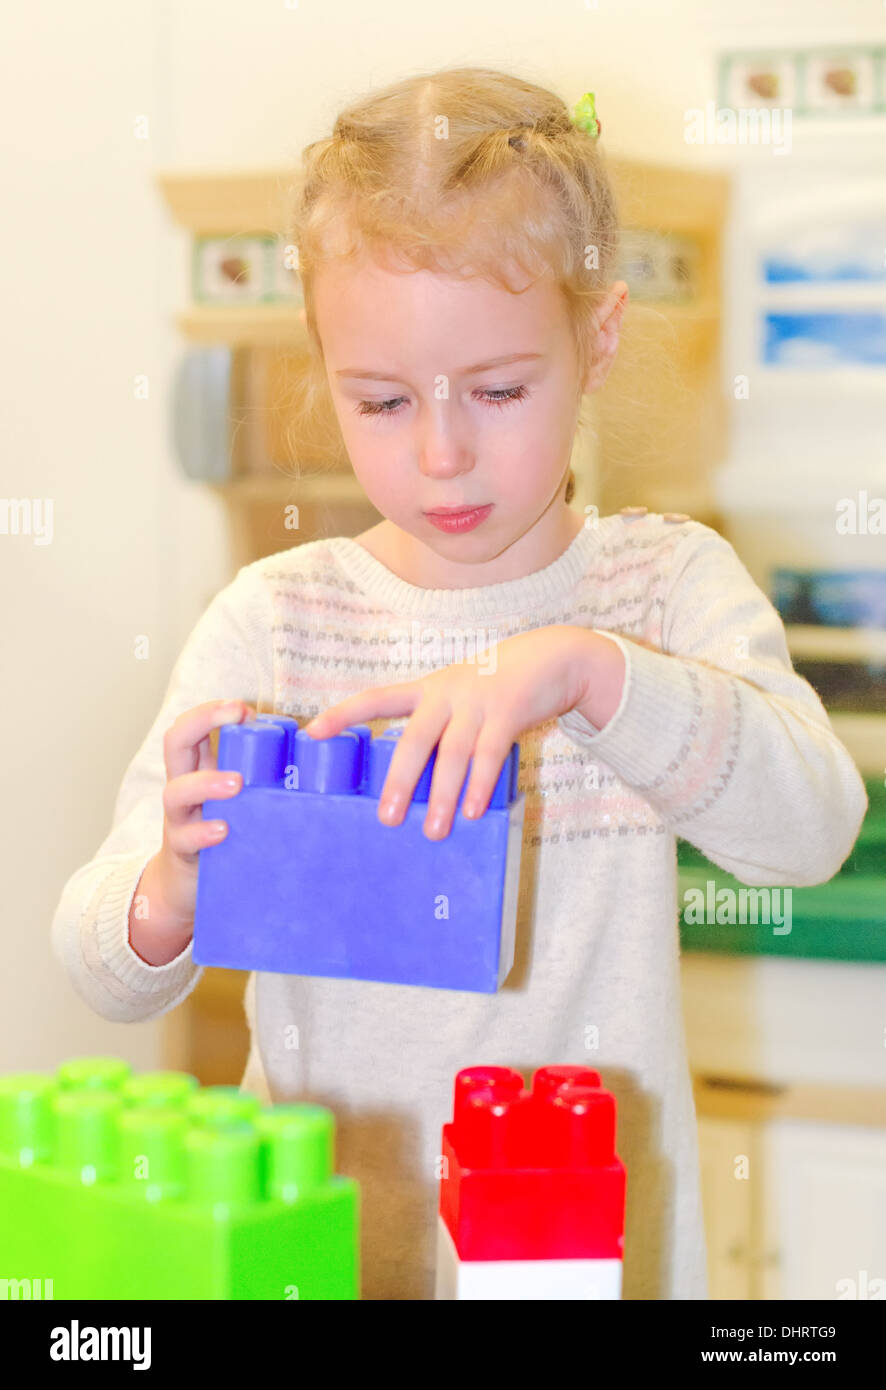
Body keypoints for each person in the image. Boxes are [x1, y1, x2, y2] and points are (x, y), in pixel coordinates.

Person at [51, 67, 867, 1300]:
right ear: (325, 367)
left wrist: (591, 674)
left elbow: (810, 829)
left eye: (496, 390)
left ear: (595, 338)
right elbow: (101, 969)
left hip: (585, 1263)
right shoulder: (280, 622)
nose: (440, 451)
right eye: (380, 400)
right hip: (325, 1266)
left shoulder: (660, 590)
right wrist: (171, 882)